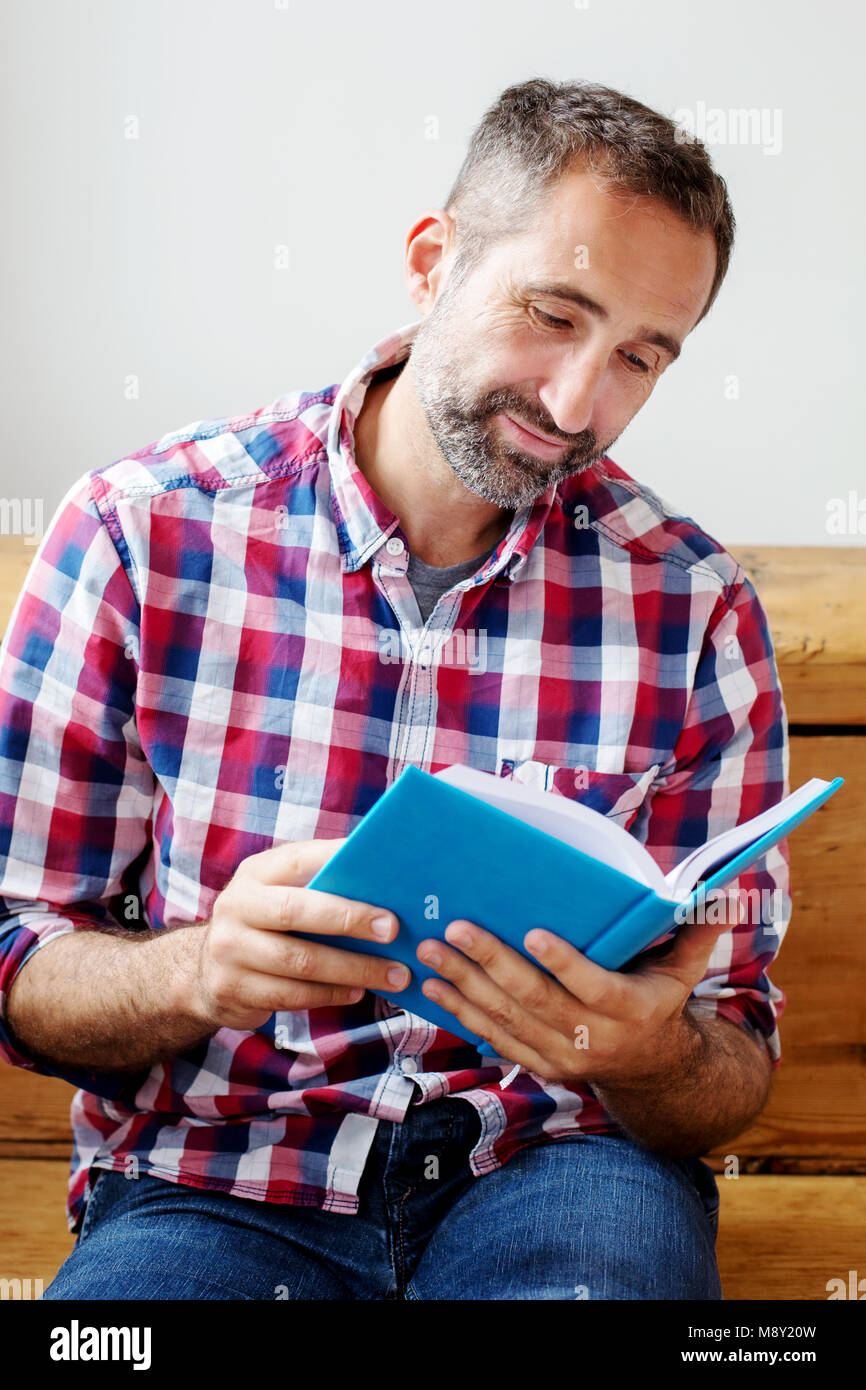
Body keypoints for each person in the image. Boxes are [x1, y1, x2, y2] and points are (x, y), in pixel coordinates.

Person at [0, 77, 789, 1301]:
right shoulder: (140, 533)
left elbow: (729, 1054)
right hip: (215, 1179)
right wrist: (196, 969)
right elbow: (21, 955)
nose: (576, 405)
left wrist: (647, 1050)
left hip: (560, 1166)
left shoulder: (693, 607)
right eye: (550, 314)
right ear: (431, 263)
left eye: (639, 355)